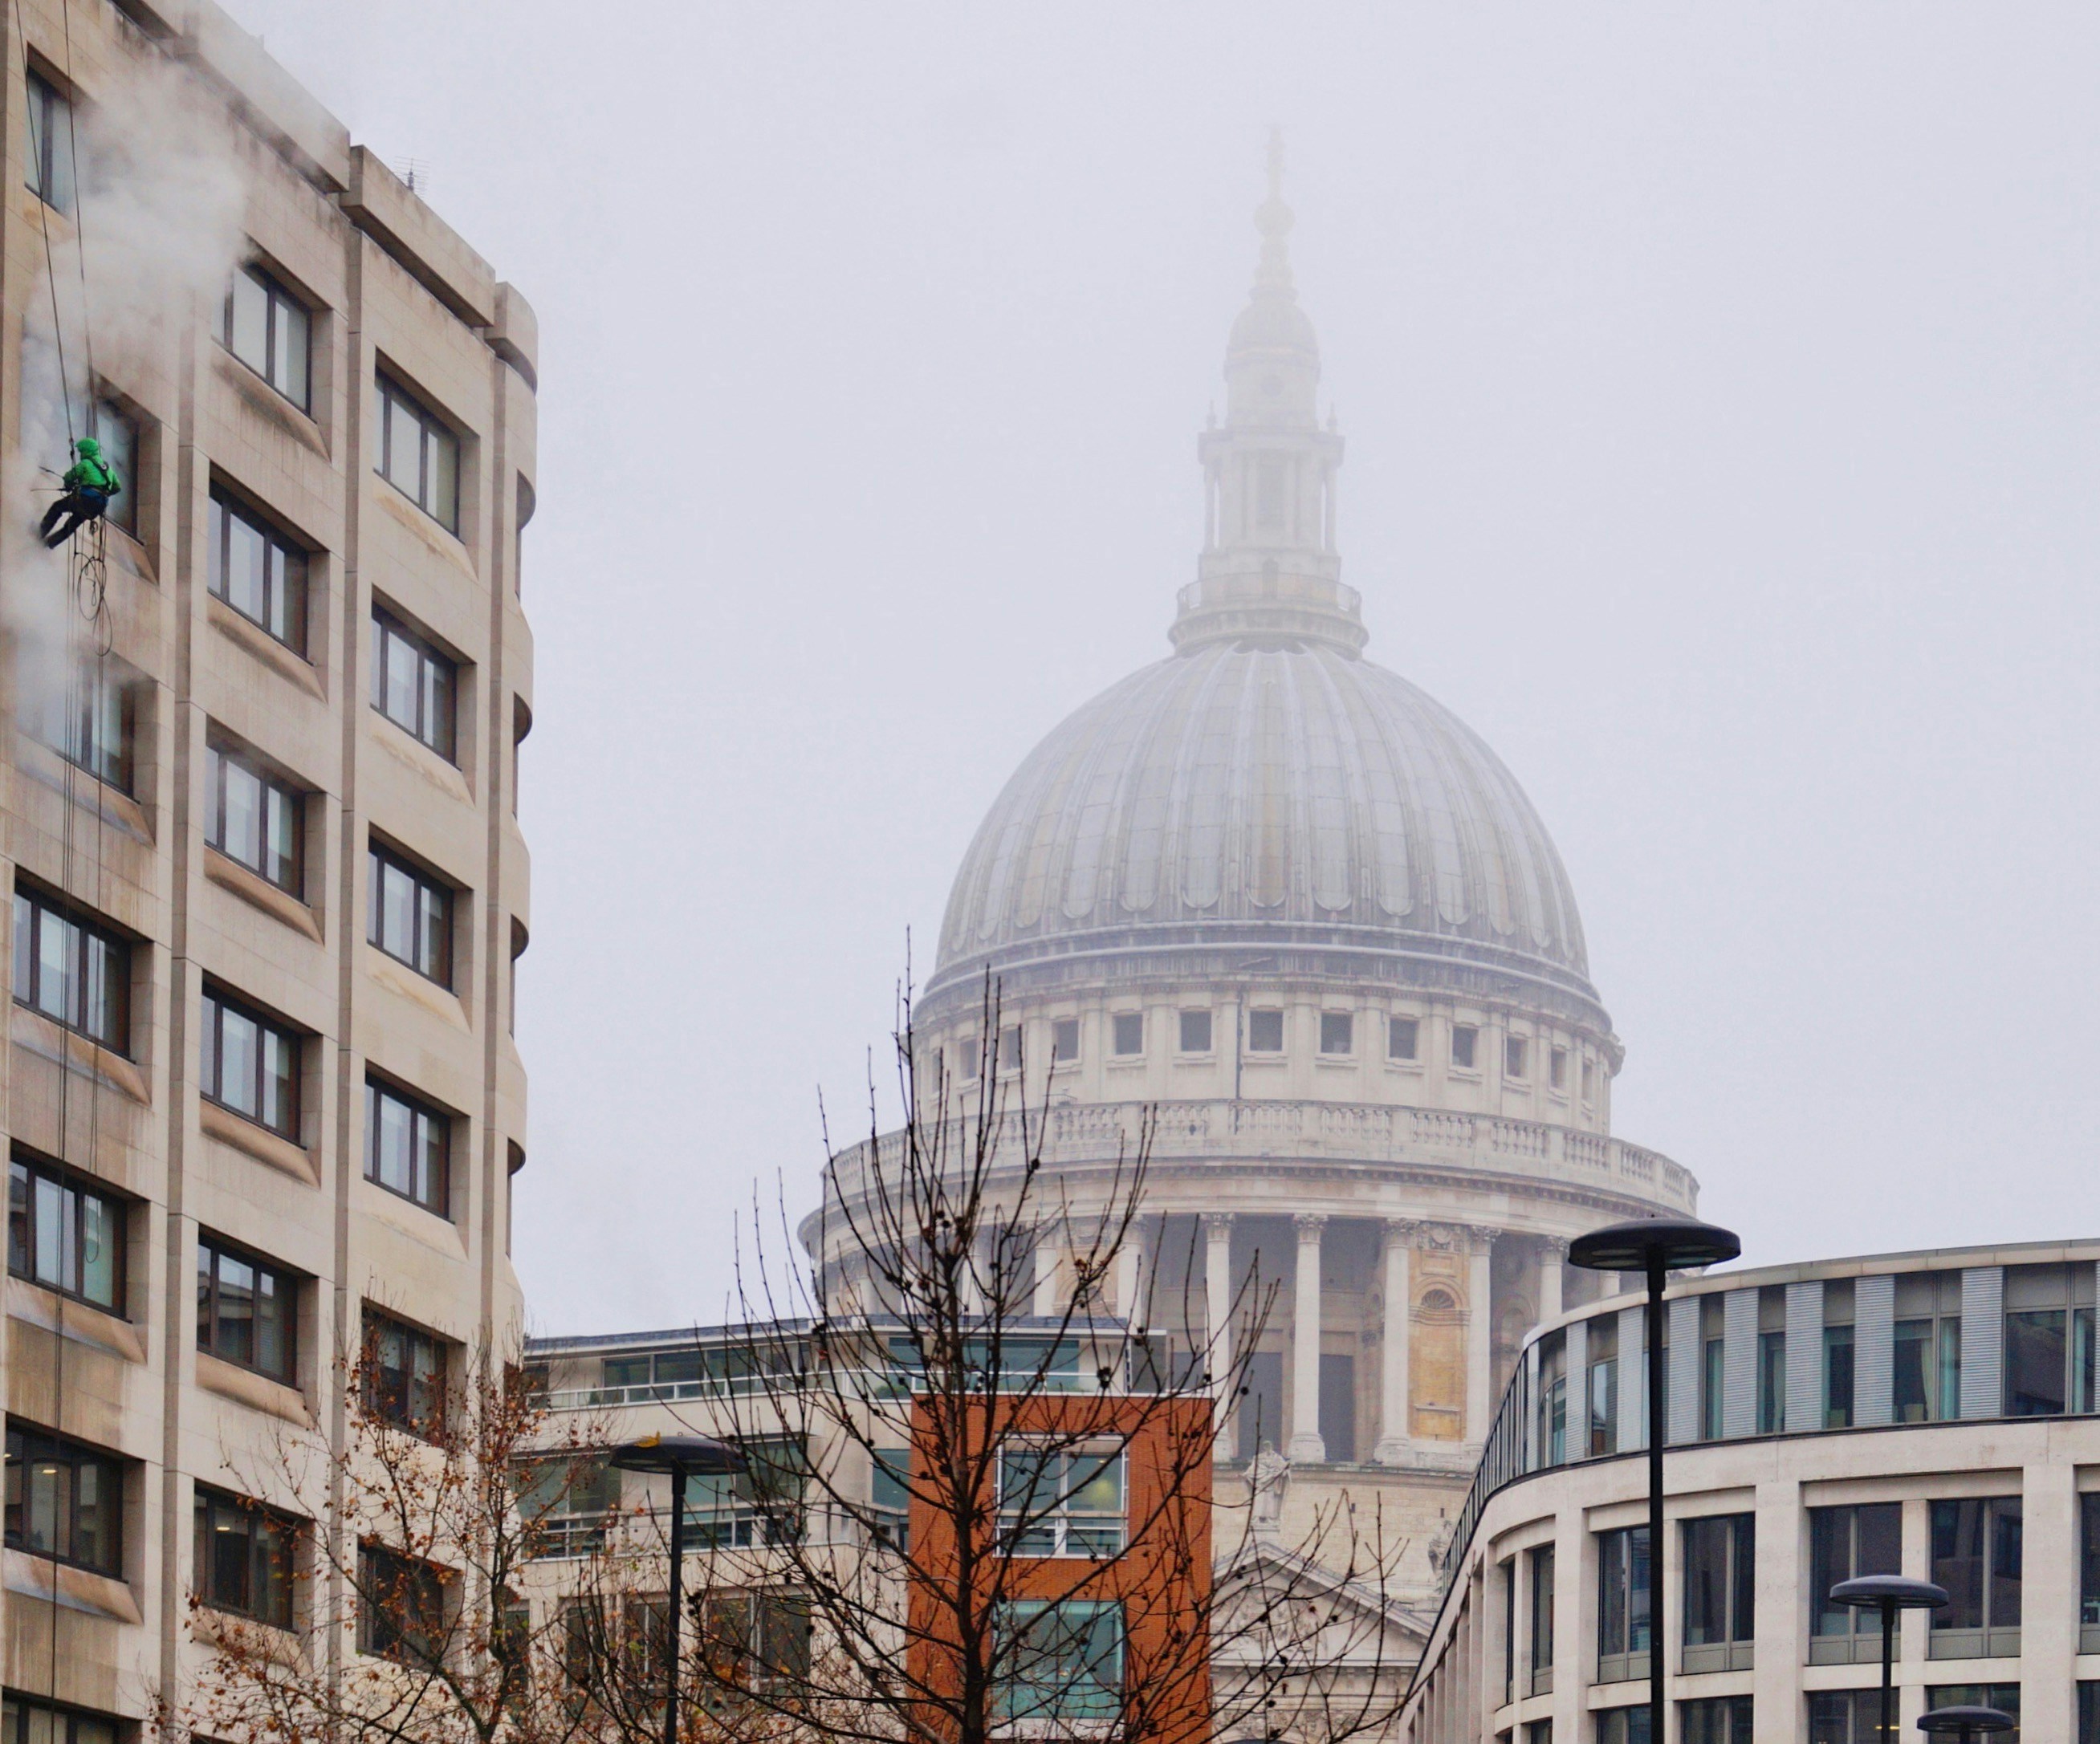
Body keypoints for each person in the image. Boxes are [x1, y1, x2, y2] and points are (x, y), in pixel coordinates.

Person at [39, 435, 120, 547]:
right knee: (72, 525)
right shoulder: (108, 469)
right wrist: (103, 493)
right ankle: (49, 543)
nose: (81, 454)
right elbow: (117, 487)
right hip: (97, 507)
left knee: (57, 507)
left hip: (84, 500)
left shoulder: (86, 463)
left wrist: (68, 485)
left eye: (81, 451)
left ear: (87, 451)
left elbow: (70, 476)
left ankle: (40, 533)